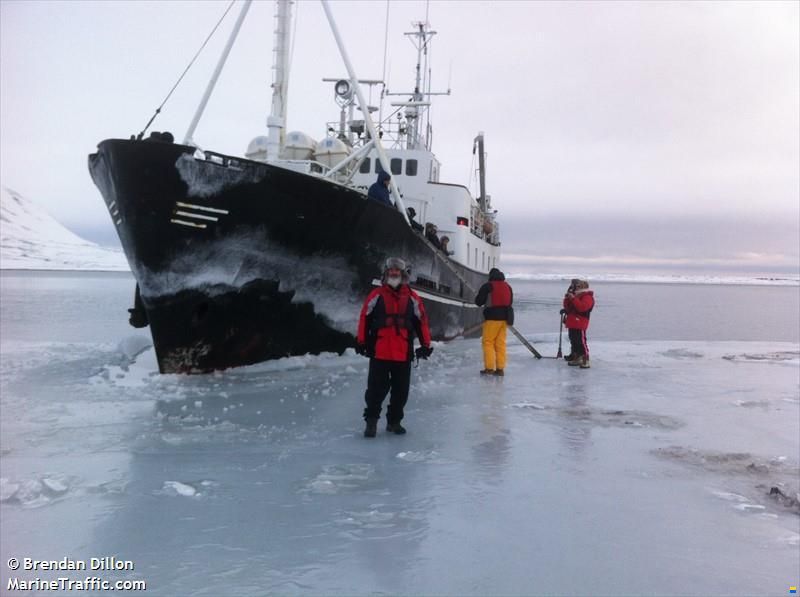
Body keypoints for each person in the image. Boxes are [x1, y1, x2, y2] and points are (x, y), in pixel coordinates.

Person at [356, 257, 433, 437]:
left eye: (397, 272)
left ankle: (394, 422)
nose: (394, 274)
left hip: (403, 352)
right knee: (375, 390)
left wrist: (425, 345)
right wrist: (361, 341)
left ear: (403, 274)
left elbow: (422, 321)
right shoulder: (376, 295)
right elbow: (364, 317)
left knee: (401, 391)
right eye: (391, 272)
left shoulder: (413, 298)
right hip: (380, 351)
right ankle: (371, 422)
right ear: (386, 274)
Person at [474, 267, 513, 376]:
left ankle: (489, 368)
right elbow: (510, 301)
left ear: (491, 276)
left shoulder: (488, 286)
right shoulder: (508, 287)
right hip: (504, 319)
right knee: (500, 344)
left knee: (488, 342)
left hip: (491, 318)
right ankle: (500, 369)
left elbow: (478, 302)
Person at [561, 278, 594, 369]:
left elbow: (582, 307)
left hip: (580, 323)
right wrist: (567, 298)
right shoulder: (577, 296)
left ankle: (585, 359)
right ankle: (577, 357)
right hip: (572, 322)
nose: (575, 288)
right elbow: (568, 307)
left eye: (578, 287)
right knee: (574, 341)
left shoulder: (587, 297)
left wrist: (573, 298)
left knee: (581, 342)